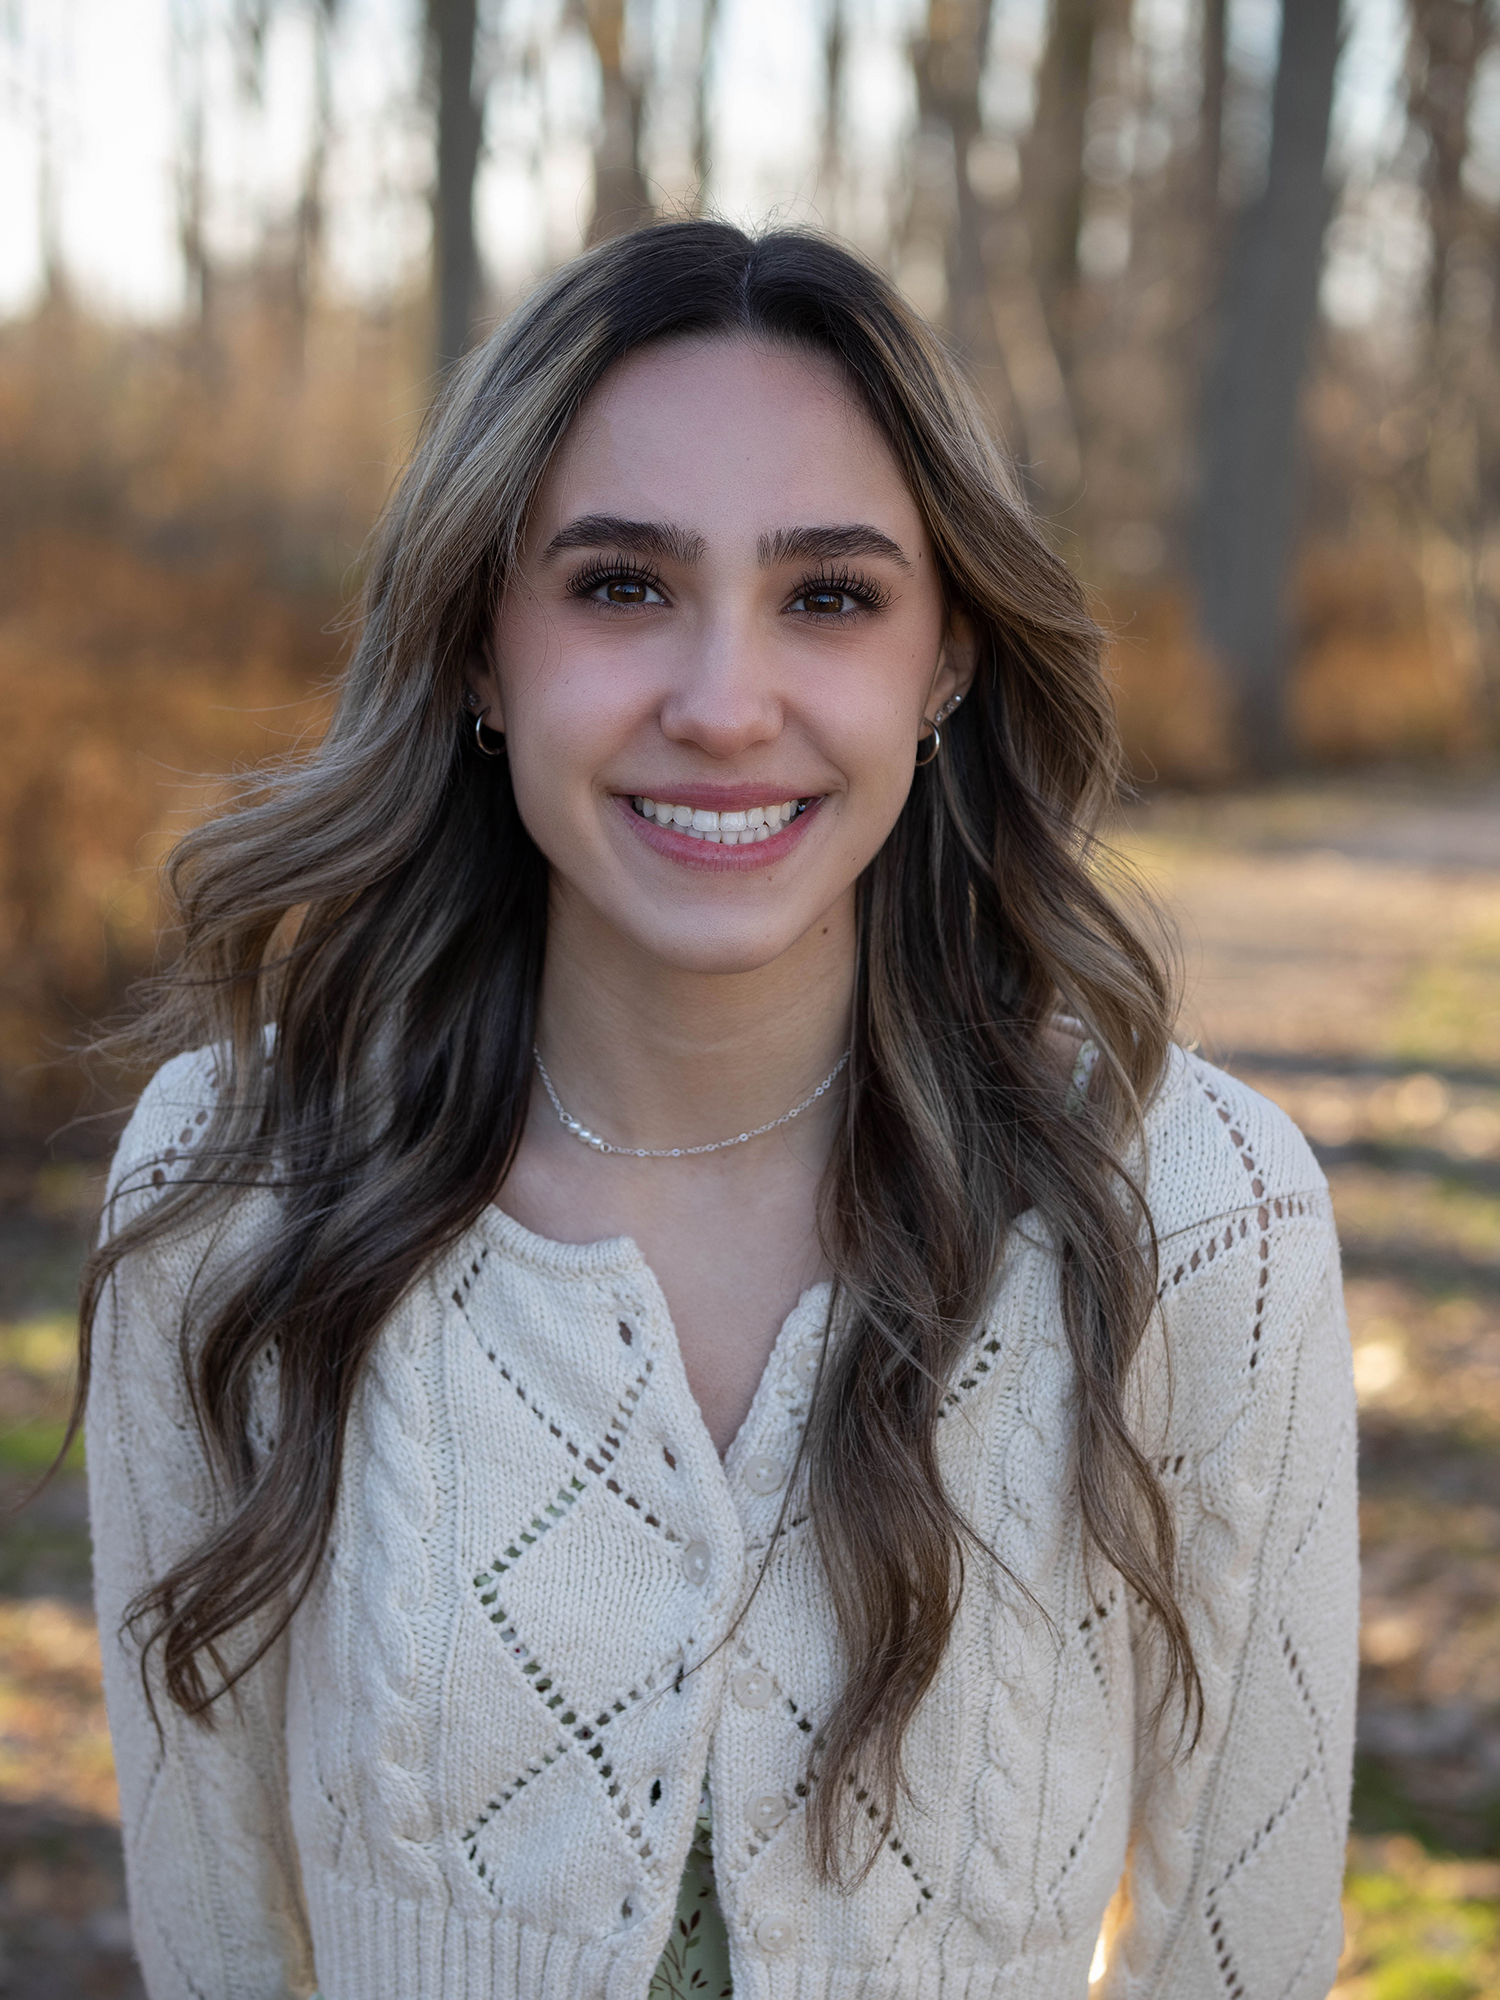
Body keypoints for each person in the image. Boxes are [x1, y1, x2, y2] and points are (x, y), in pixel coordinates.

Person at [78, 220, 1358, 2000]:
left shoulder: (1193, 1213)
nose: (724, 704)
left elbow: (1249, 1948)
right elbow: (216, 1947)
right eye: (620, 587)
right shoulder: (244, 1188)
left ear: (949, 661)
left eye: (829, 595)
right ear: (475, 649)